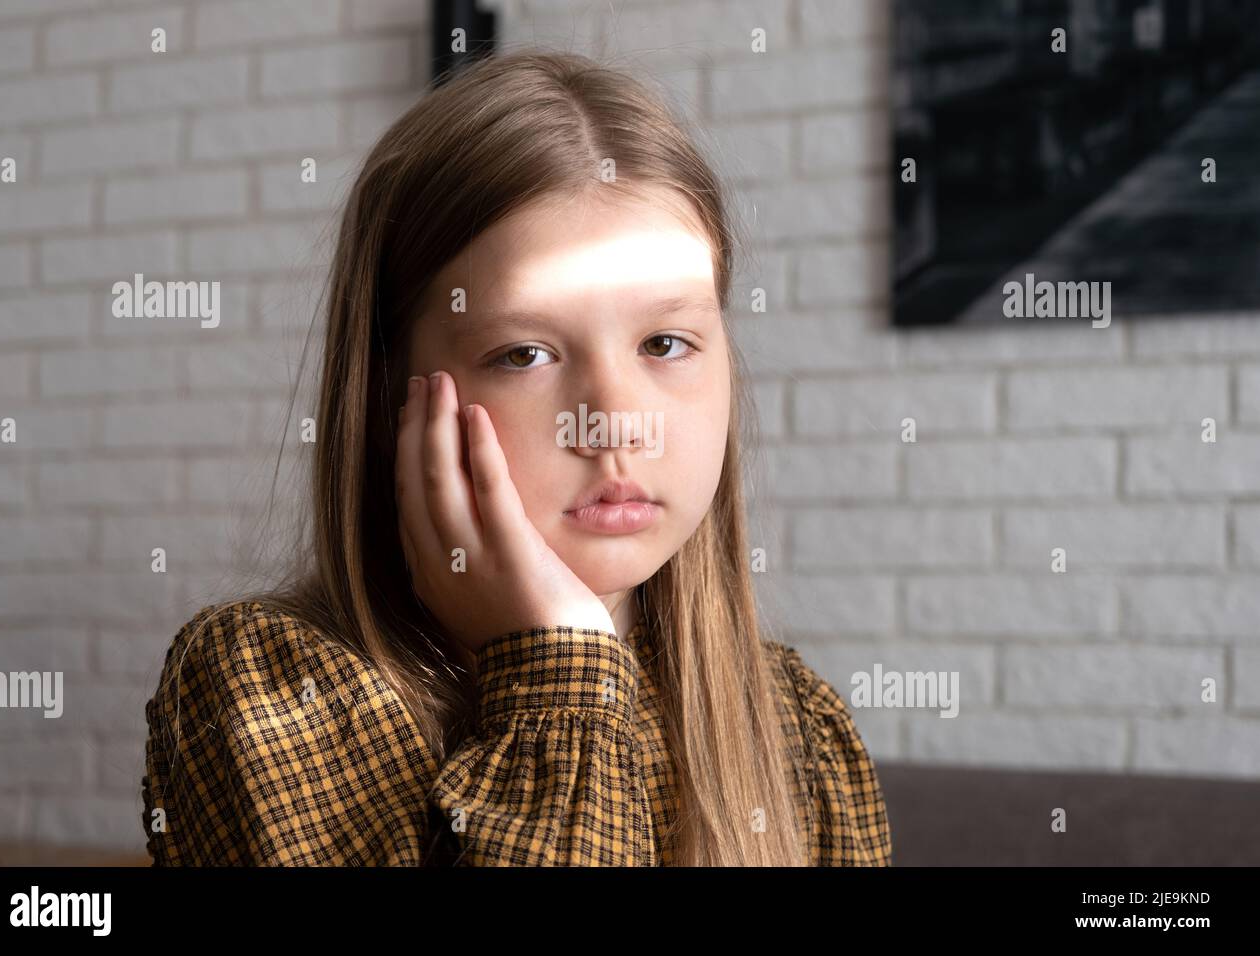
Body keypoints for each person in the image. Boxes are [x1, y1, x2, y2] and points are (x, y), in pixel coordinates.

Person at [141, 48, 891, 867]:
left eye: (665, 342)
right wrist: (557, 671)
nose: (614, 424)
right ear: (393, 392)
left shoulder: (792, 724)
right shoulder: (273, 693)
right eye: (523, 355)